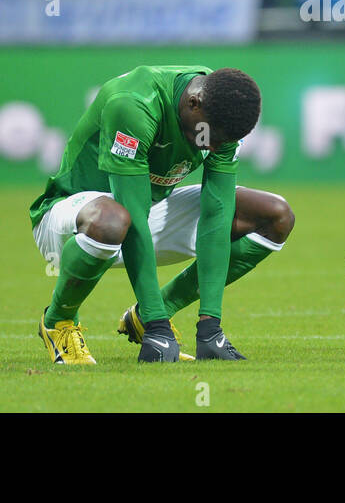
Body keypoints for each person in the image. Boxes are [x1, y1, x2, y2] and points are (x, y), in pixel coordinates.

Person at [31, 66, 293, 363]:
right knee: (114, 218)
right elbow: (132, 213)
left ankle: (148, 315)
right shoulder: (133, 105)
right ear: (194, 103)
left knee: (276, 216)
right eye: (211, 138)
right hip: (73, 220)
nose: (214, 147)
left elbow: (216, 216)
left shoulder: (218, 108)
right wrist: (160, 328)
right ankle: (58, 321)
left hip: (144, 216)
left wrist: (210, 325)